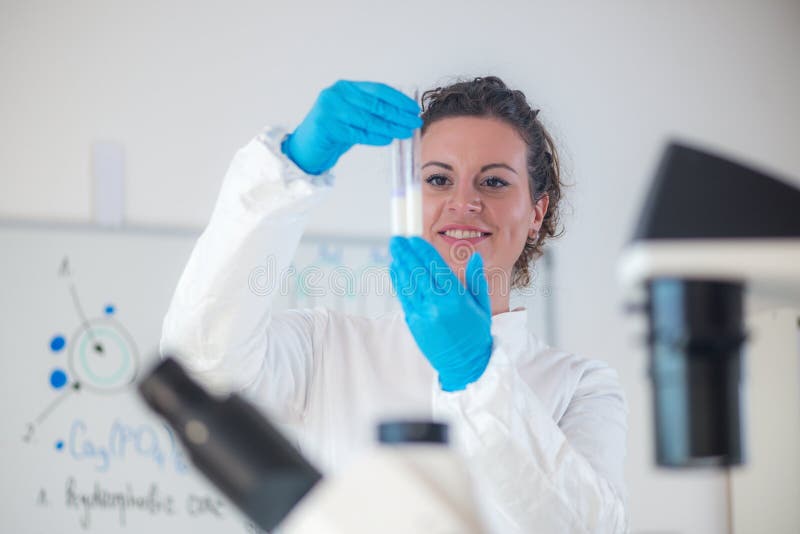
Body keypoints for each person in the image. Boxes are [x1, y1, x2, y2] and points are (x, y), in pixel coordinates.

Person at [161, 77, 628, 533]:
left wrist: (478, 376)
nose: (463, 202)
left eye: (494, 182)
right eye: (439, 178)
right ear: (409, 198)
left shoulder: (581, 388)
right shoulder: (327, 349)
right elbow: (201, 369)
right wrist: (290, 170)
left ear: (536, 213)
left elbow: (589, 527)